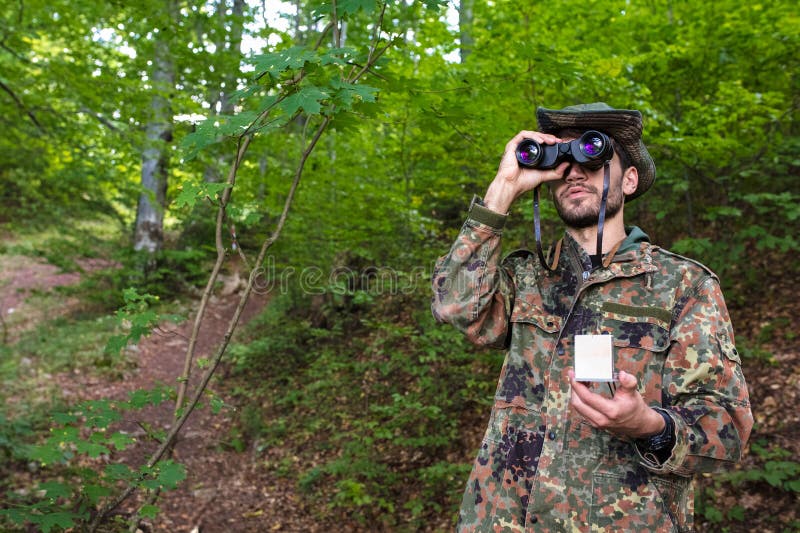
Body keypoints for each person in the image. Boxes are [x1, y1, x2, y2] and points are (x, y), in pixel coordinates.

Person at [431, 102, 753, 532]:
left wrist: (648, 425)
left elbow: (728, 427)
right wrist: (503, 187)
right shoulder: (526, 277)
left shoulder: (683, 286)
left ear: (631, 179)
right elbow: (454, 304)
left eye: (594, 156)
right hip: (504, 519)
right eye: (564, 159)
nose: (576, 172)